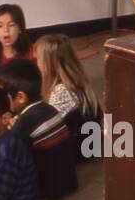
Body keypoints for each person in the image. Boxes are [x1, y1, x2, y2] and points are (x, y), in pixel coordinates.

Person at [0, 58, 78, 200]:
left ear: (20, 97)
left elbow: (6, 153)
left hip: (47, 190)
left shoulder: (25, 121)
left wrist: (5, 130)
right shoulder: (48, 108)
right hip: (69, 182)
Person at [35, 33, 103, 161]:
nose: (37, 64)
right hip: (91, 144)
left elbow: (47, 127)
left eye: (38, 59)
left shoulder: (61, 91)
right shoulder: (77, 80)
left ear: (49, 63)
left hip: (81, 150)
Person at [0, 3, 34, 89]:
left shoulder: (31, 53)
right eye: (0, 26)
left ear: (20, 28)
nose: (6, 30)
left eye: (11, 25)